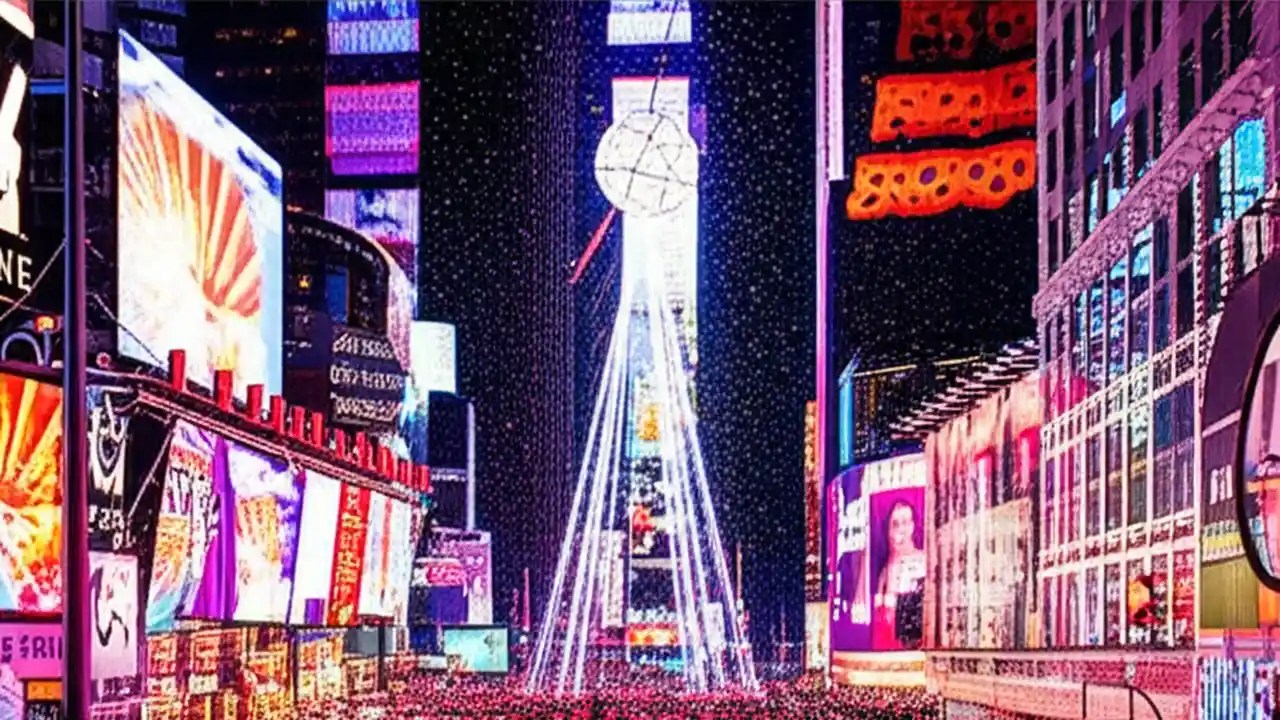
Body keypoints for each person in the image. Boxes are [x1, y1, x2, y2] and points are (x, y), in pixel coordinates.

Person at [872, 500, 925, 650]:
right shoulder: (884, 570)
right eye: (895, 524)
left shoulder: (922, 562)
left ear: (913, 526)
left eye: (905, 522)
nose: (901, 529)